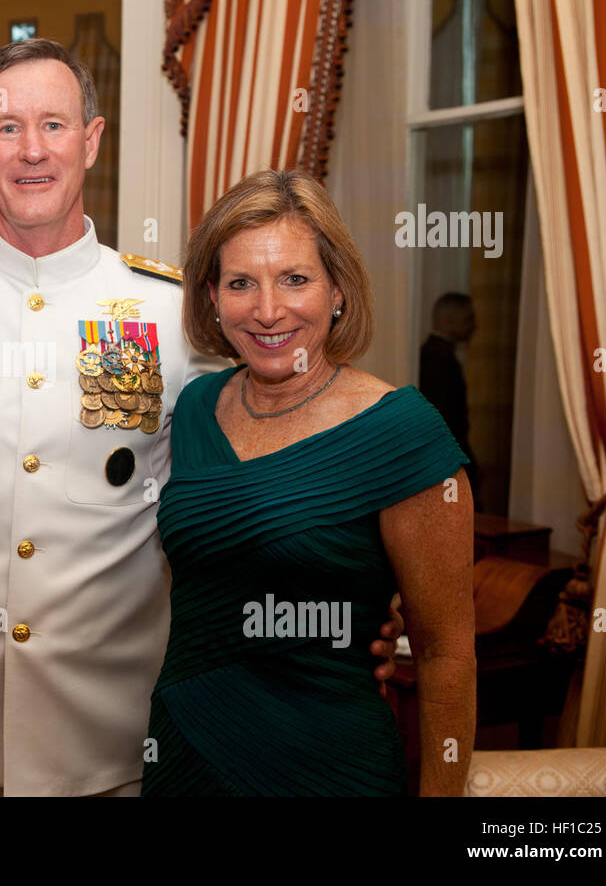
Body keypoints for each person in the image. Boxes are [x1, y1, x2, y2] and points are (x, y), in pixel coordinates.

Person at [0, 39, 405, 796]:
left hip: (121, 742)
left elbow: (242, 506)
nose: (31, 149)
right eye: (6, 127)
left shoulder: (176, 315)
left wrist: (348, 614)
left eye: (53, 124)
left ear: (91, 139)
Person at [142, 170, 477, 796]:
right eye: (241, 283)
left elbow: (446, 655)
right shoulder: (195, 408)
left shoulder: (401, 432)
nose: (268, 310)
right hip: (185, 753)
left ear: (339, 290)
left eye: (295, 279)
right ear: (211, 296)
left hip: (327, 765)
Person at [420, 292, 480, 501]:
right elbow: (446, 419)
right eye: (468, 319)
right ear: (448, 320)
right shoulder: (440, 360)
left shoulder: (435, 355)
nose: (474, 326)